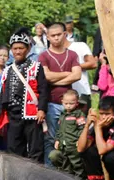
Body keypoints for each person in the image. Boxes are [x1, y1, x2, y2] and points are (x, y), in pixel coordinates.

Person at [38, 22, 83, 164]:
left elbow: (77, 75)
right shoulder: (44, 56)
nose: (56, 38)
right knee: (51, 138)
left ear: (64, 34)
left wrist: (55, 80)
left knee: (71, 138)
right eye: (53, 35)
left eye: (59, 35)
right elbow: (46, 76)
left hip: (70, 104)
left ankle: (70, 171)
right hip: (52, 103)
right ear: (48, 37)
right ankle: (49, 170)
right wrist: (66, 73)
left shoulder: (72, 55)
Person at [1, 30, 49, 162]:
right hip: (13, 115)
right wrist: (0, 113)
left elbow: (44, 90)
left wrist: (42, 109)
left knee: (35, 149)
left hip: (32, 114)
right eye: (15, 48)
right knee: (14, 148)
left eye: (21, 48)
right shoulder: (8, 69)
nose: (17, 51)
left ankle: (37, 177)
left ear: (27, 49)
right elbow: (3, 93)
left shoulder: (36, 67)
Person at [78, 95, 114, 180]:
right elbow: (80, 148)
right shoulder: (100, 125)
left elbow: (102, 150)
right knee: (88, 150)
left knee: (110, 156)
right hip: (106, 166)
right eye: (101, 113)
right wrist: (87, 125)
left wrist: (98, 128)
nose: (103, 117)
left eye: (107, 114)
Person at [49, 92, 87, 178]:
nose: (68, 106)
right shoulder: (62, 115)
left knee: (76, 162)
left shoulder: (78, 114)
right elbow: (59, 130)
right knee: (65, 162)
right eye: (66, 103)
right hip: (64, 145)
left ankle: (80, 179)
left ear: (77, 103)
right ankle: (69, 178)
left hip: (74, 144)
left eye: (71, 103)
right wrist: (57, 140)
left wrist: (79, 140)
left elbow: (82, 129)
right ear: (62, 102)